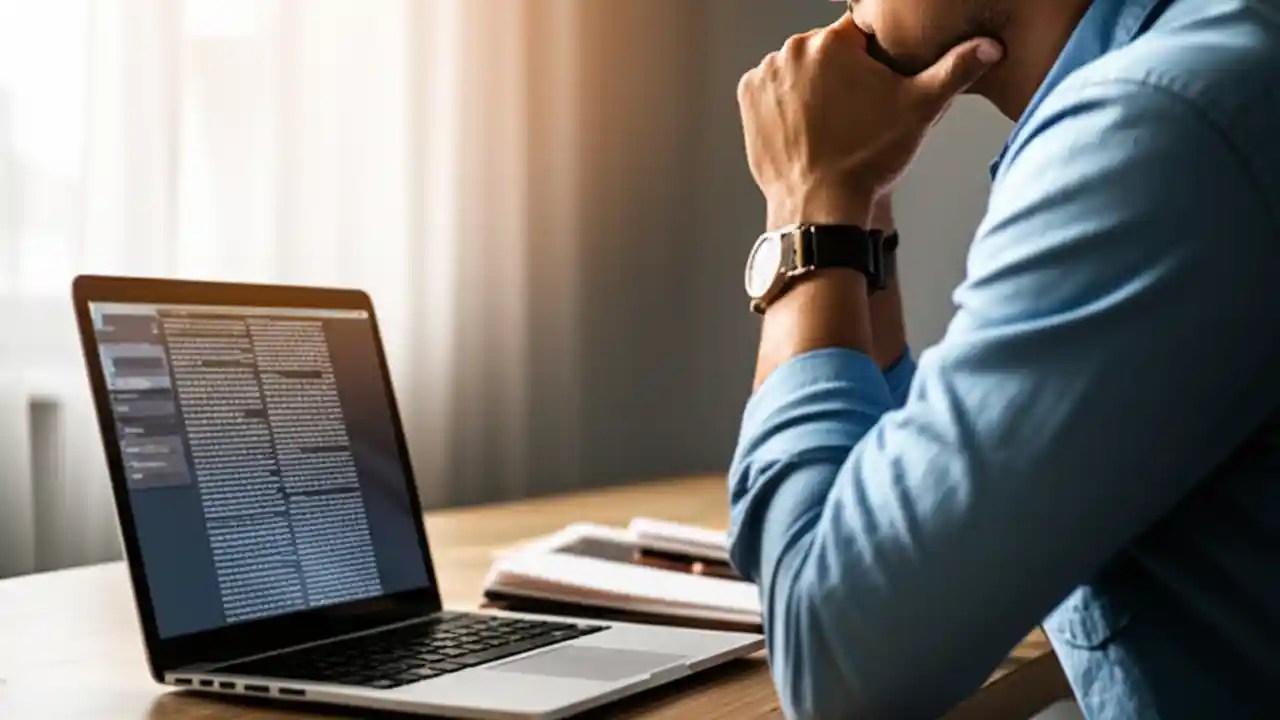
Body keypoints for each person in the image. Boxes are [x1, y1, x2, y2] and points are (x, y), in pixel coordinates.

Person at [728, 0, 1280, 716]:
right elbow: (916, 514)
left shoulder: (1155, 128)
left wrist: (806, 209)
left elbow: (837, 662)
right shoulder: (1207, 70)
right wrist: (854, 196)